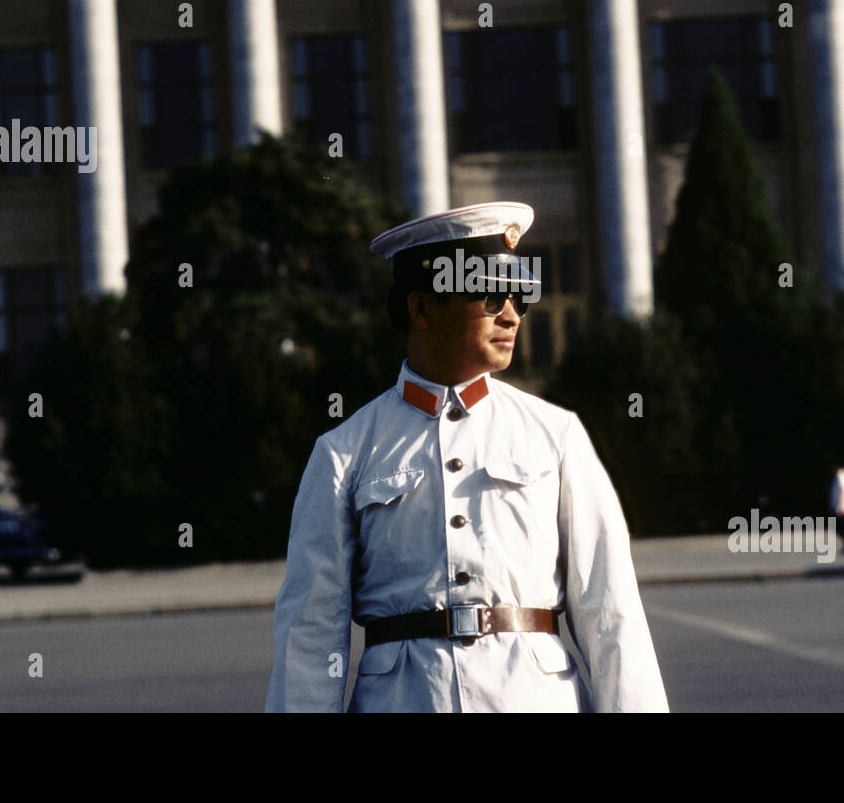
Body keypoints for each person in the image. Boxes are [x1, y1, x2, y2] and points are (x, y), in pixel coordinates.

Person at [266, 201, 669, 712]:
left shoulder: (555, 434)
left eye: (519, 297)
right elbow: (310, 631)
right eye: (489, 293)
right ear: (421, 307)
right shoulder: (345, 452)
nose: (511, 313)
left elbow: (610, 611)